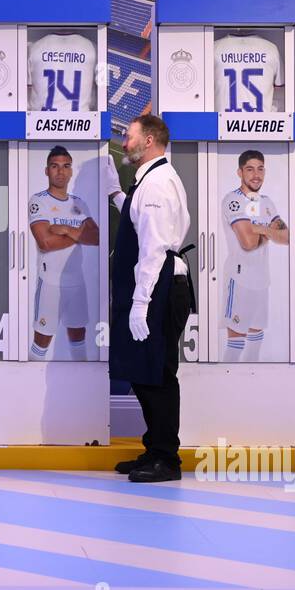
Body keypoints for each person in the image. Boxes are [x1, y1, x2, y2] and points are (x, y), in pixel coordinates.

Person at [105, 114, 195, 483]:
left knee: (156, 374)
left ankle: (166, 458)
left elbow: (155, 247)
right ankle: (156, 447)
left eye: (129, 137)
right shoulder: (152, 181)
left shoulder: (156, 184)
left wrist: (141, 303)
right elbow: (145, 221)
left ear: (149, 141)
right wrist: (117, 196)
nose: (124, 143)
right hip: (157, 288)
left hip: (157, 290)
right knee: (146, 372)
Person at [28, 145, 98, 361]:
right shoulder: (39, 201)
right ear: (47, 171)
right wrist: (79, 234)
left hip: (77, 283)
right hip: (50, 282)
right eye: (55, 166)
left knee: (78, 335)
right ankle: (29, 382)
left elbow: (96, 238)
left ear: (71, 170)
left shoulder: (79, 203)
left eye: (66, 166)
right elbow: (45, 243)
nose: (60, 171)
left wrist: (67, 230)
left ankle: (80, 382)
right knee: (42, 339)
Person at [220, 149, 288, 363]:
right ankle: (227, 391)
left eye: (260, 169)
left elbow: (286, 237)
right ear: (240, 172)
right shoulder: (233, 201)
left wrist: (259, 228)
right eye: (250, 169)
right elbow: (248, 243)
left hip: (262, 281)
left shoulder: (266, 202)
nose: (256, 174)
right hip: (239, 281)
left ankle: (251, 391)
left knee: (255, 344)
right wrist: (269, 229)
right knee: (236, 344)